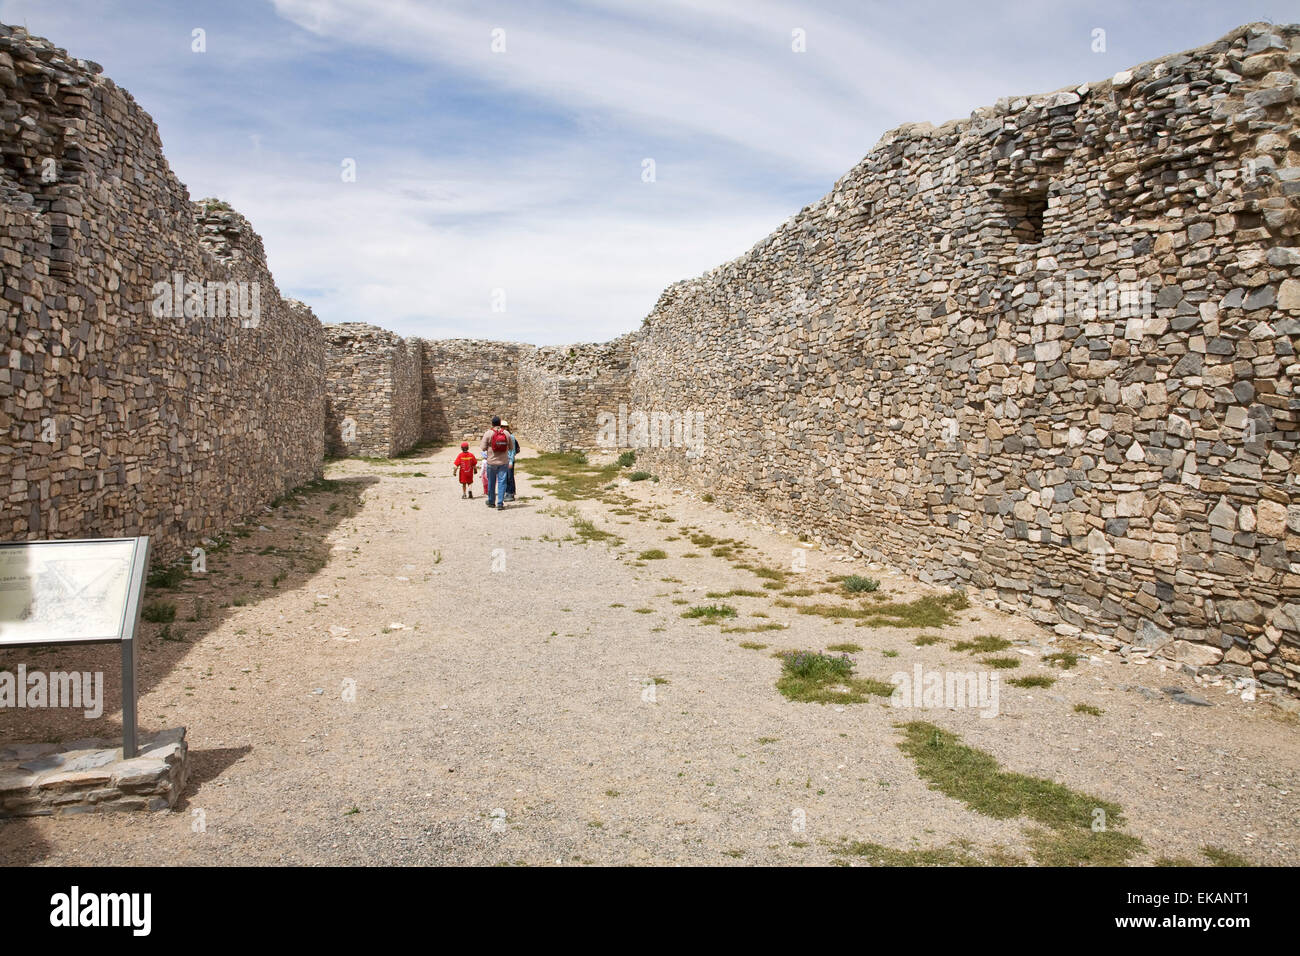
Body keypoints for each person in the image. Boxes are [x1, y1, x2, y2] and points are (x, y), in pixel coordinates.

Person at [481, 415, 511, 510]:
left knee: (491, 482)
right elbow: (511, 447)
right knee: (502, 482)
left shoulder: (488, 433)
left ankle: (491, 501)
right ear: (500, 423)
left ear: (492, 423)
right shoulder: (506, 433)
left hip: (491, 462)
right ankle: (500, 503)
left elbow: (483, 447)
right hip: (503, 462)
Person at [503, 420, 520, 502]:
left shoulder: (511, 437)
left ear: (506, 427)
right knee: (505, 476)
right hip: (503, 459)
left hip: (509, 459)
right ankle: (508, 492)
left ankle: (510, 493)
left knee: (509, 476)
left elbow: (512, 451)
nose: (502, 428)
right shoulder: (501, 436)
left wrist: (511, 461)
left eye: (503, 426)